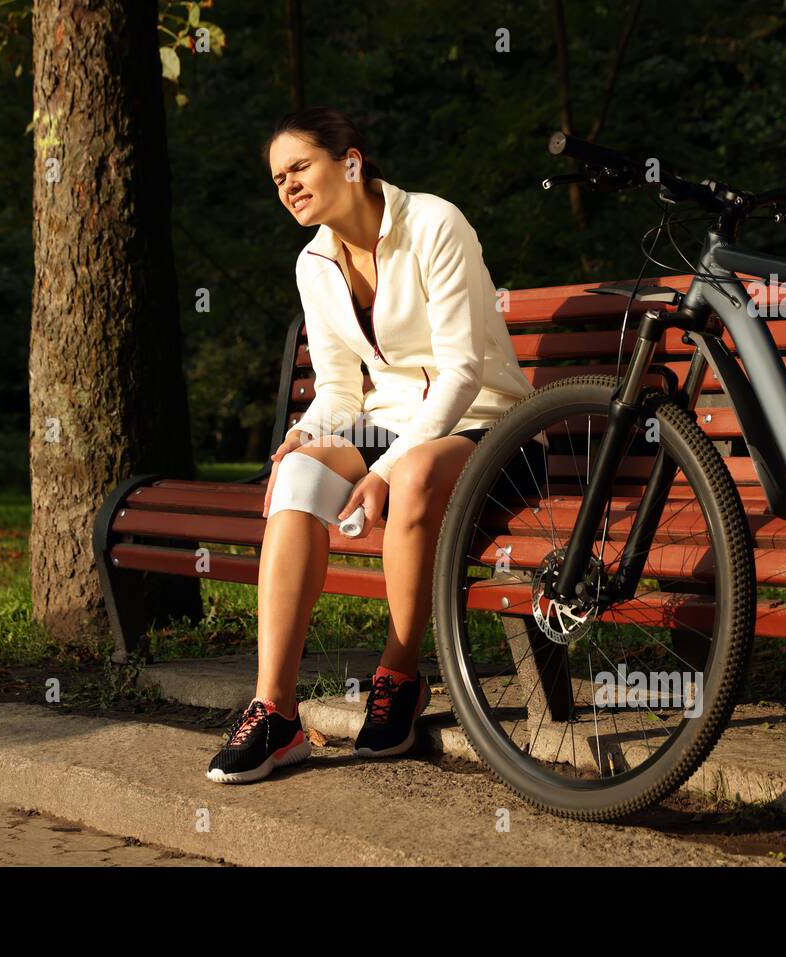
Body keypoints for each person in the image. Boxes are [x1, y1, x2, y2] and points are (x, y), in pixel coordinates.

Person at [207, 107, 543, 783]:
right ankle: (274, 710)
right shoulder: (312, 262)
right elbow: (338, 390)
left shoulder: (434, 224)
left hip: (488, 421)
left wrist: (385, 468)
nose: (289, 187)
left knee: (414, 474)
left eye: (300, 167)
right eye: (278, 179)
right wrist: (305, 433)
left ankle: (398, 675)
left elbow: (461, 372)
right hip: (388, 421)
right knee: (299, 473)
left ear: (351, 162)